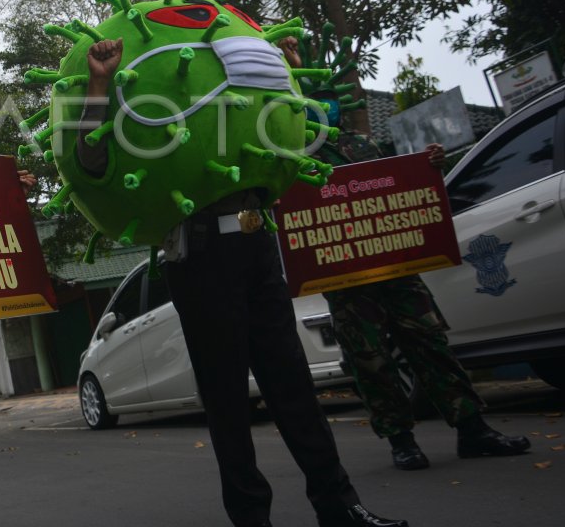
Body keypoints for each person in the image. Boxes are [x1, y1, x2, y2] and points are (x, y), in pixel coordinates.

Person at [76, 36, 406, 527]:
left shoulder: (239, 91)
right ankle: (251, 517)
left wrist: (291, 72)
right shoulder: (140, 106)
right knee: (226, 396)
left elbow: (304, 135)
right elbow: (90, 162)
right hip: (200, 253)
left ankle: (339, 505)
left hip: (259, 243)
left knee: (293, 384)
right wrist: (100, 81)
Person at [280, 37, 531, 472]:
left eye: (328, 100)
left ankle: (472, 429)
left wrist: (431, 165)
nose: (324, 108)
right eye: (313, 101)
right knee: (371, 360)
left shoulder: (362, 147)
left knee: (430, 343)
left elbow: (403, 184)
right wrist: (290, 65)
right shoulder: (293, 158)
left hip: (396, 265)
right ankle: (401, 440)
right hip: (347, 279)